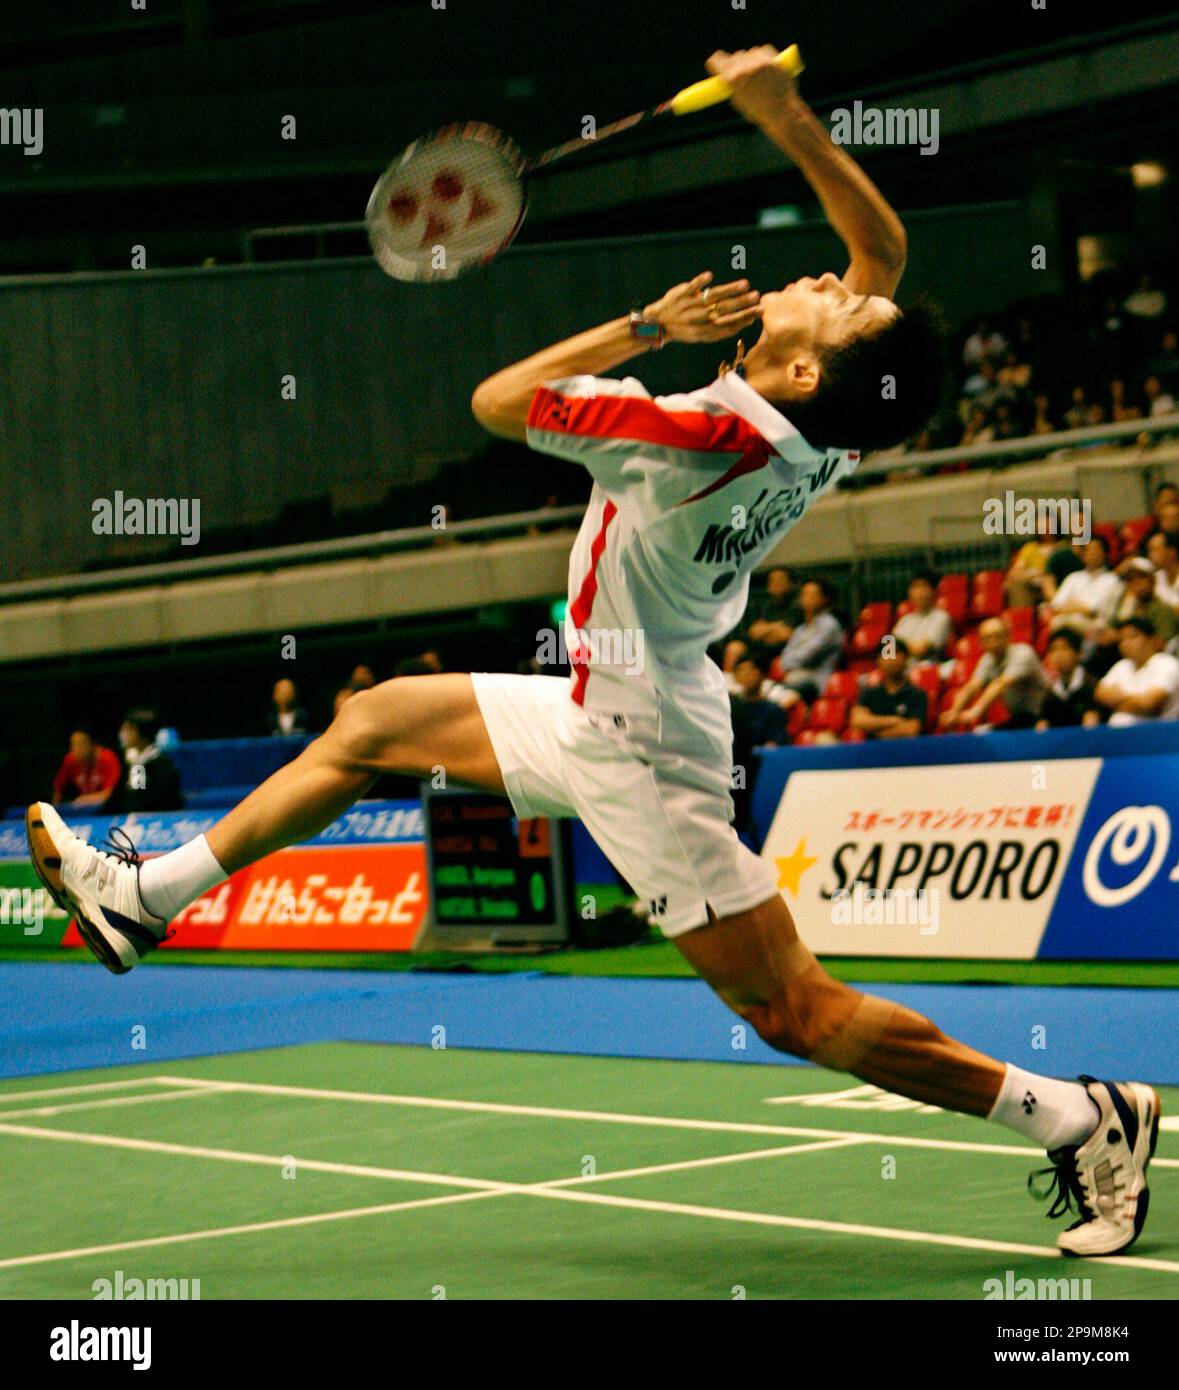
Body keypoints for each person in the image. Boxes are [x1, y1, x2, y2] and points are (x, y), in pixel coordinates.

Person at [26, 45, 1155, 1259]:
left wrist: (645, 324)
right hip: (604, 696)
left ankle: (1079, 1114)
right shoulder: (829, 428)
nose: (831, 275)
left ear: (810, 364)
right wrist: (786, 117)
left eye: (835, 300)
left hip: (647, 746)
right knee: (371, 725)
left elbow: (499, 402)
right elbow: (883, 256)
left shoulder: (686, 437)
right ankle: (147, 899)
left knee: (795, 1013)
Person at [939, 616, 1047, 731]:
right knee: (980, 732)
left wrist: (975, 712)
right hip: (1021, 718)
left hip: (1045, 715)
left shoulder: (1023, 653)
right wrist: (954, 712)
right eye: (986, 638)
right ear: (981, 642)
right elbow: (973, 686)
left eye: (997, 636)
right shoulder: (987, 659)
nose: (992, 642)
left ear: (1008, 636)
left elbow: (1000, 683)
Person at [772, 578, 844, 707]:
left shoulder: (830, 625)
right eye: (805, 594)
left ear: (824, 599)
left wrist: (791, 661)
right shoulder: (800, 629)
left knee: (777, 706)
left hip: (814, 683)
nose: (807, 598)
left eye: (813, 595)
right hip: (792, 680)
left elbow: (807, 656)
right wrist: (790, 662)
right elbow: (784, 658)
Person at [1095, 617, 1179, 726]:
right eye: (1122, 639)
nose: (1125, 643)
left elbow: (1149, 704)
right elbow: (1099, 694)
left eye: (1132, 637)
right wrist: (1135, 701)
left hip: (1156, 733)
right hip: (1118, 732)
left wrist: (1116, 701)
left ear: (1150, 639)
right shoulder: (1122, 665)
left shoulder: (1167, 663)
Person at [1043, 536, 1122, 638]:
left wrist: (1072, 604)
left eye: (1097, 549)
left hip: (1096, 628)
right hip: (1066, 623)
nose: (1093, 554)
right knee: (1056, 622)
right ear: (1082, 555)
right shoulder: (1073, 577)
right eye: (1089, 550)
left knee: (1063, 622)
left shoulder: (1112, 580)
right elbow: (1056, 605)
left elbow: (1093, 610)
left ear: (1105, 554)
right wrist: (1079, 608)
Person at [849, 637, 926, 738]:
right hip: (872, 751)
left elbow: (911, 729)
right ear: (878, 661)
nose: (891, 659)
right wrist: (894, 721)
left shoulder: (916, 694)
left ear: (906, 658)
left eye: (896, 653)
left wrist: (876, 731)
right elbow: (857, 721)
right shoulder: (869, 693)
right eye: (886, 654)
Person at [112, 709, 183, 813]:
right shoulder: (132, 763)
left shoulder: (164, 766)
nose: (123, 734)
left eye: (128, 729)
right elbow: (117, 799)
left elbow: (160, 802)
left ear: (142, 734)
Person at [1035, 630, 1100, 730]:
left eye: (1064, 648)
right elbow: (1042, 728)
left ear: (1078, 653)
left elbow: (1091, 727)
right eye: (1053, 650)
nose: (1058, 655)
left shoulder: (1090, 684)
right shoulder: (1051, 691)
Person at [50, 728, 122, 809]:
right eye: (73, 744)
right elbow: (58, 790)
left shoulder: (108, 758)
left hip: (109, 809)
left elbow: (110, 793)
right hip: (82, 811)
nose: (77, 749)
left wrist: (83, 800)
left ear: (94, 745)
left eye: (82, 744)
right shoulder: (70, 760)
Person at [892, 570, 952, 663]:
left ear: (933, 591)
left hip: (927, 669)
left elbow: (920, 649)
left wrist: (900, 648)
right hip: (901, 669)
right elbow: (888, 652)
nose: (919, 592)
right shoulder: (905, 620)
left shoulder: (941, 617)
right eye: (915, 587)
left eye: (924, 586)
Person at [742, 566, 802, 651]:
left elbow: (786, 633)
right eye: (772, 580)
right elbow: (754, 631)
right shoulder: (766, 605)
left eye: (780, 580)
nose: (776, 583)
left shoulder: (797, 604)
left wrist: (765, 629)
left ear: (790, 583)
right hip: (762, 647)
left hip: (789, 649)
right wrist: (777, 626)